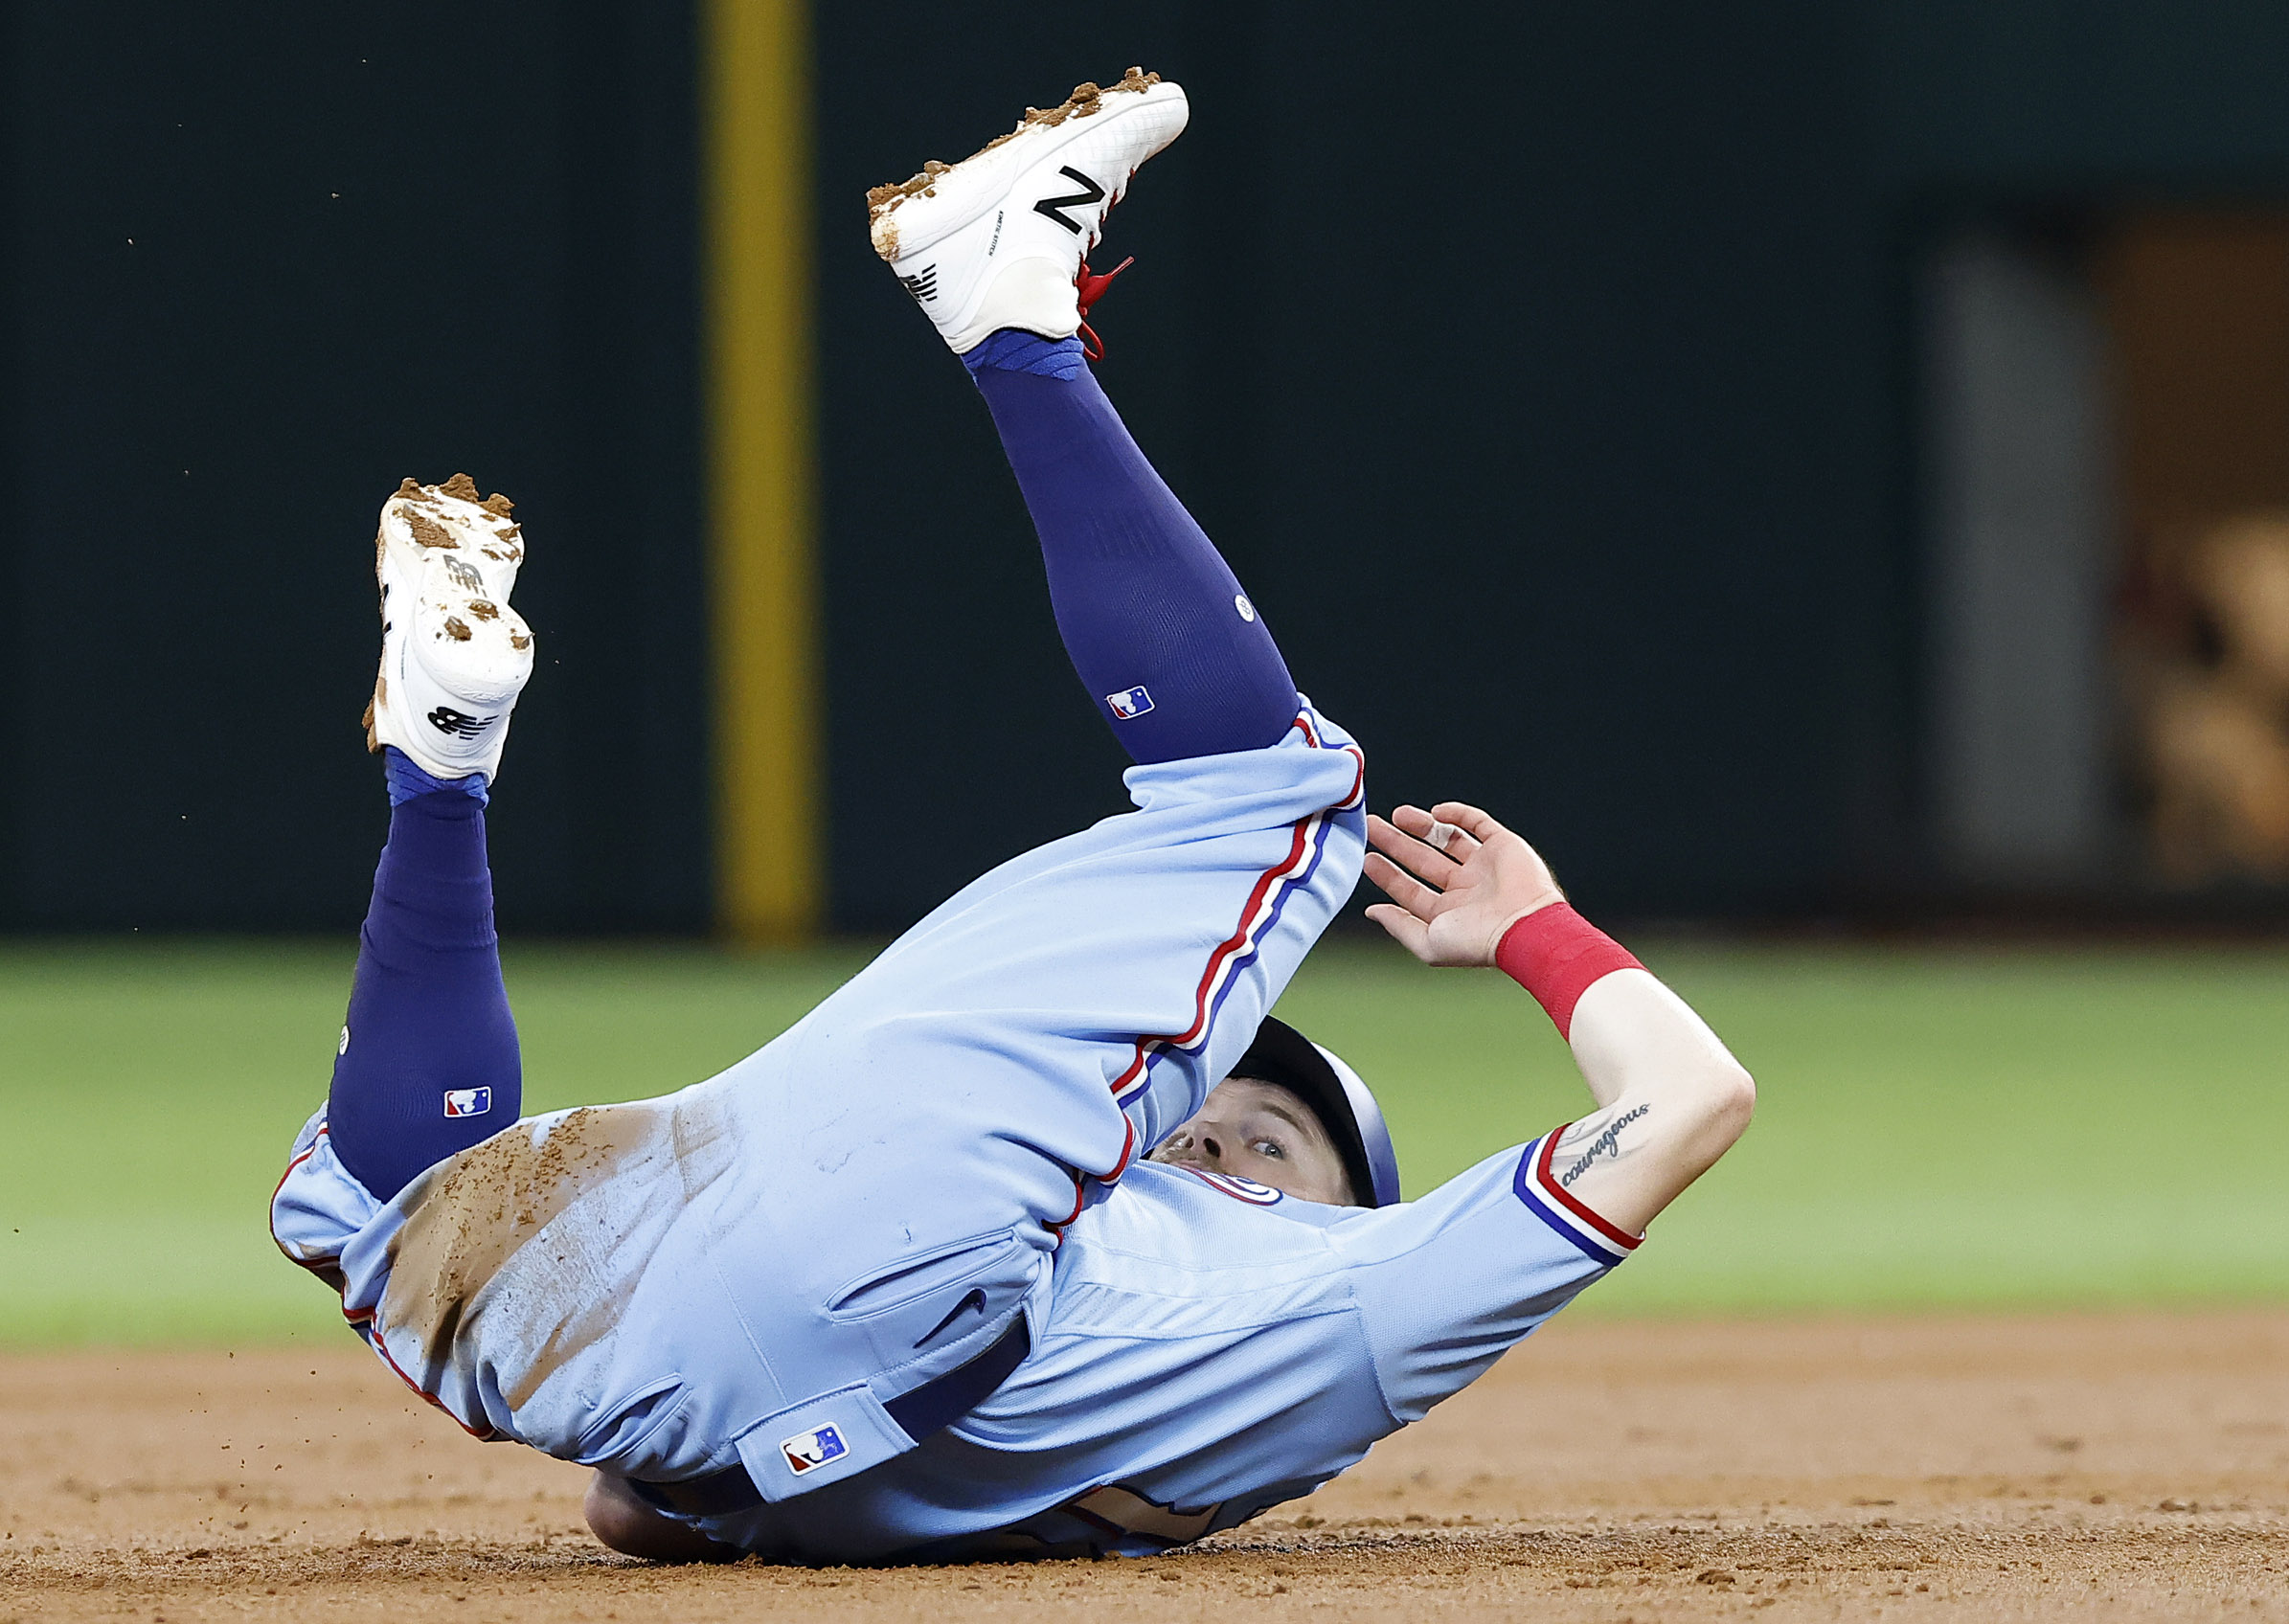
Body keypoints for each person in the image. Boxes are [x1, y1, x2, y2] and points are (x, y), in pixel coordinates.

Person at [271, 68, 1755, 1565]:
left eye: (1272, 1146)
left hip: (878, 1272)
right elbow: (641, 1509)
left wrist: (1535, 932)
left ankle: (1008, 311)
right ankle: (441, 767)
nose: (1219, 1140)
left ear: (1356, 1207)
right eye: (1222, 1120)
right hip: (687, 1377)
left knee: (1279, 803)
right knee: (417, 1212)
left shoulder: (1373, 1297)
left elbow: (1690, 1103)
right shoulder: (1128, 1279)